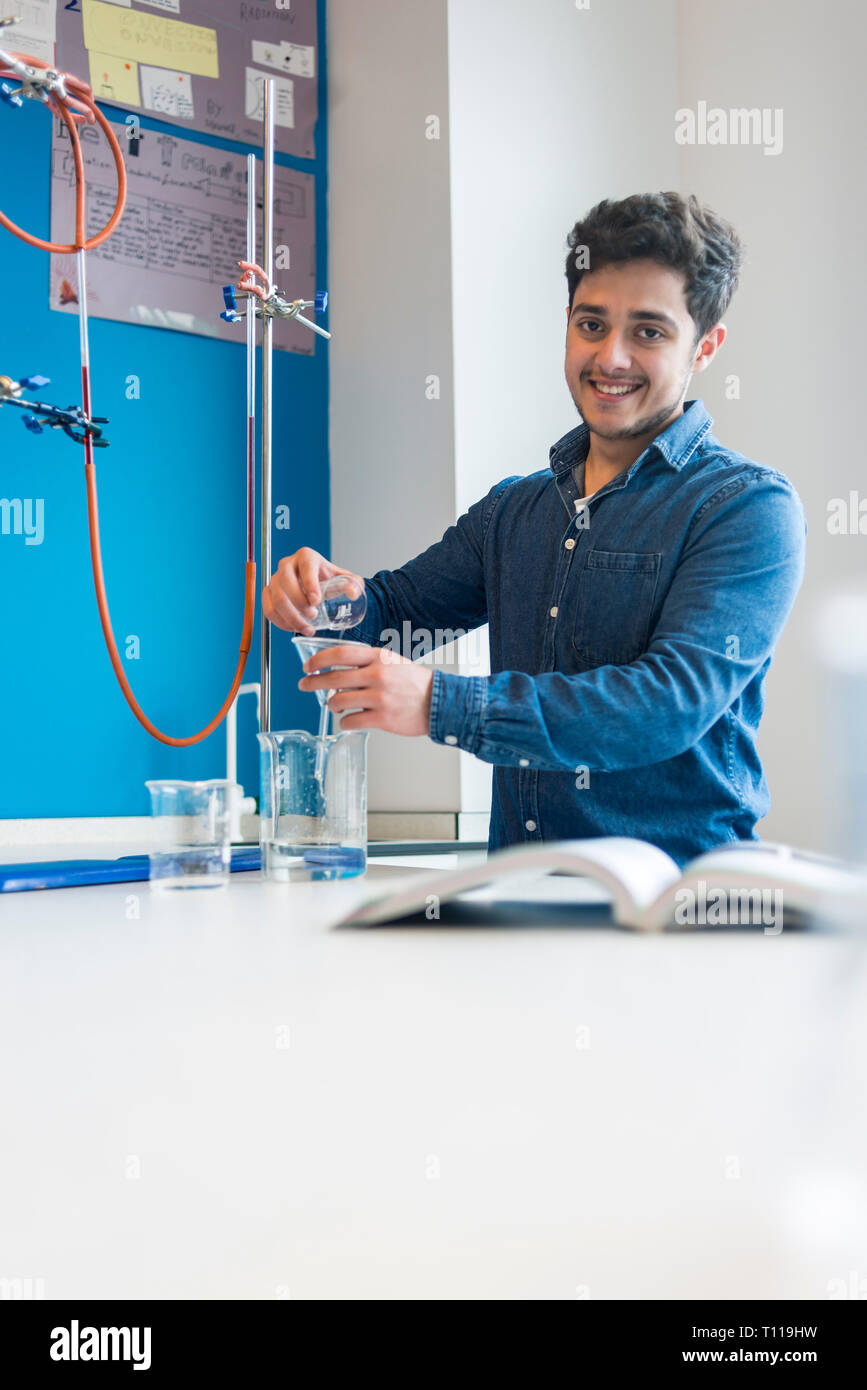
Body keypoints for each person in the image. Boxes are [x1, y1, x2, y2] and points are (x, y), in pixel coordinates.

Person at [263, 191, 806, 867]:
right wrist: (324, 598)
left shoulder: (744, 508)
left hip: (678, 916)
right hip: (522, 900)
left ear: (705, 347)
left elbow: (666, 705)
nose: (610, 357)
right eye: (590, 324)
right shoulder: (515, 511)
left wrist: (440, 704)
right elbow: (393, 615)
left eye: (648, 331)